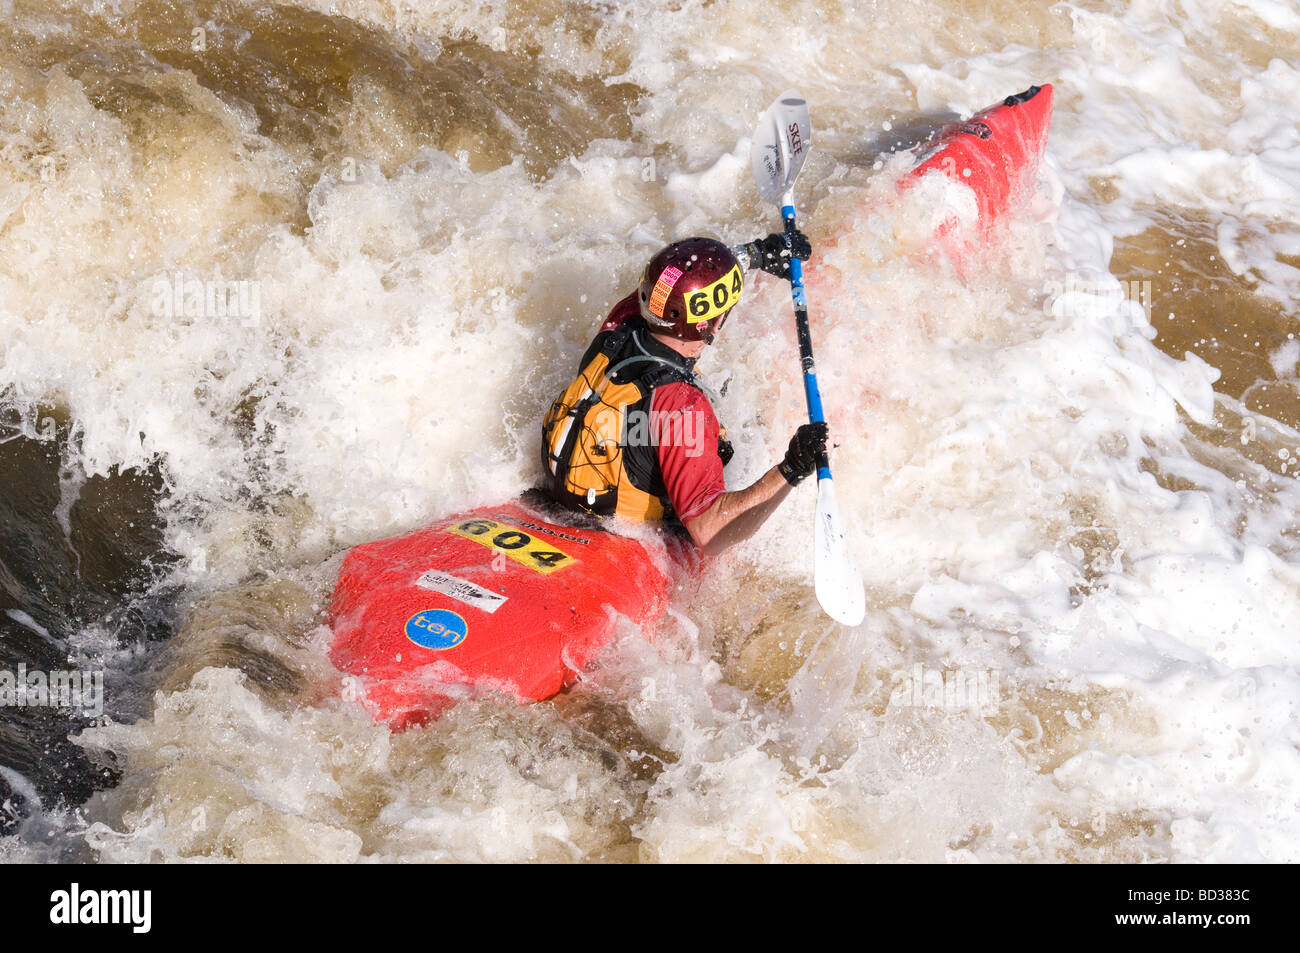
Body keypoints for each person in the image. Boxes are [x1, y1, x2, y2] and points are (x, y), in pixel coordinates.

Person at [541, 230, 830, 556]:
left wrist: (756, 253)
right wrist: (792, 467)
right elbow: (709, 531)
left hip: (560, 501)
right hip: (622, 540)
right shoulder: (682, 406)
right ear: (713, 324)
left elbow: (670, 287)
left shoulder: (621, 324)